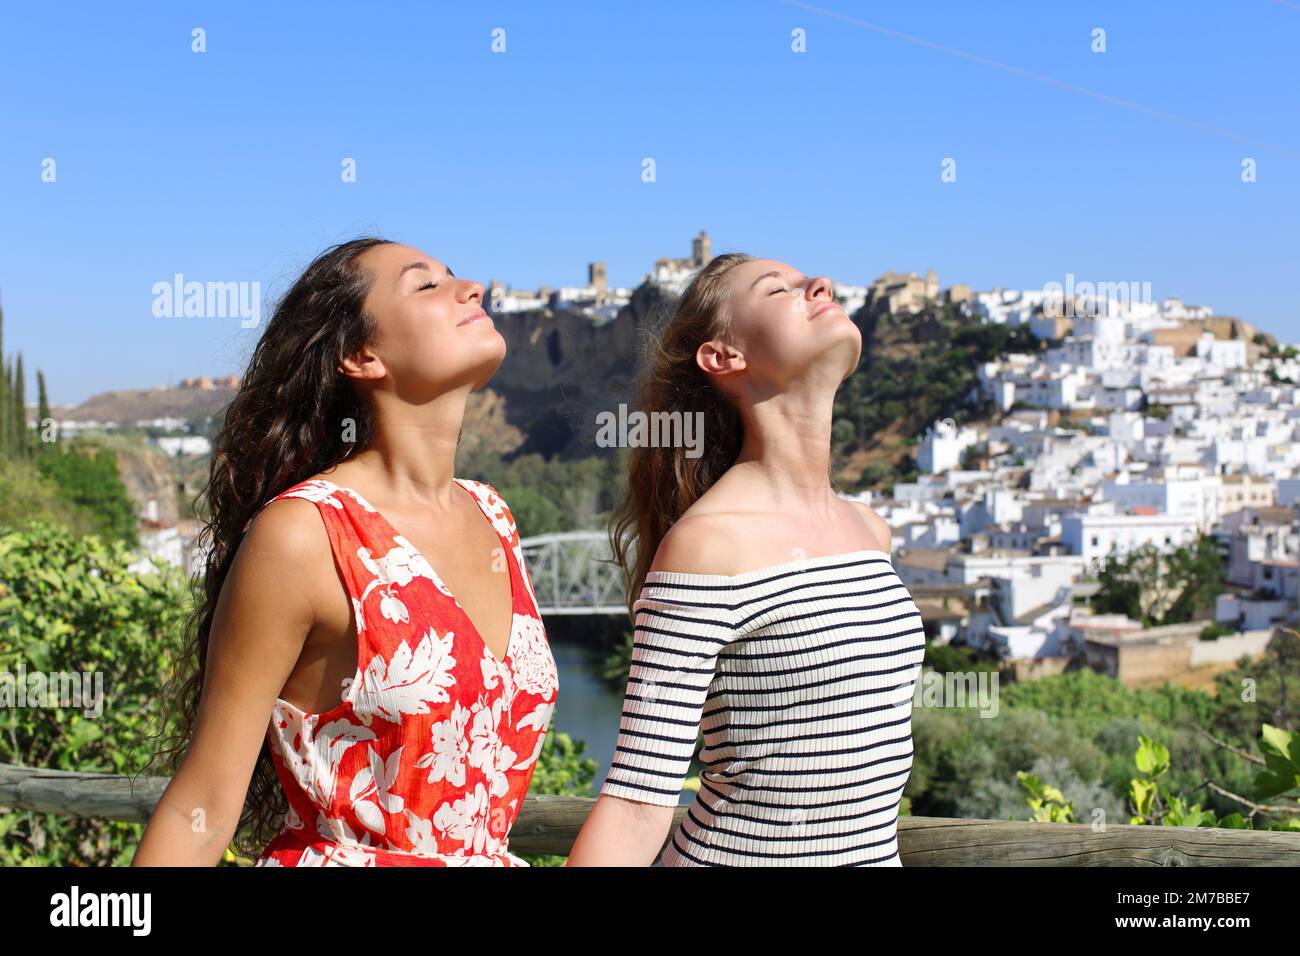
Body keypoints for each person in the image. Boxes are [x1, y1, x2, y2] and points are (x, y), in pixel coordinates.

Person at [133, 237, 557, 866]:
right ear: (361, 355)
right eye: (426, 285)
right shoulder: (304, 535)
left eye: (455, 276)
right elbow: (201, 811)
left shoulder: (493, 516)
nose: (471, 288)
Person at [566, 252, 926, 866]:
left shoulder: (870, 531)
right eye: (778, 289)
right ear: (724, 357)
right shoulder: (709, 546)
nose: (820, 284)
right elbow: (636, 802)